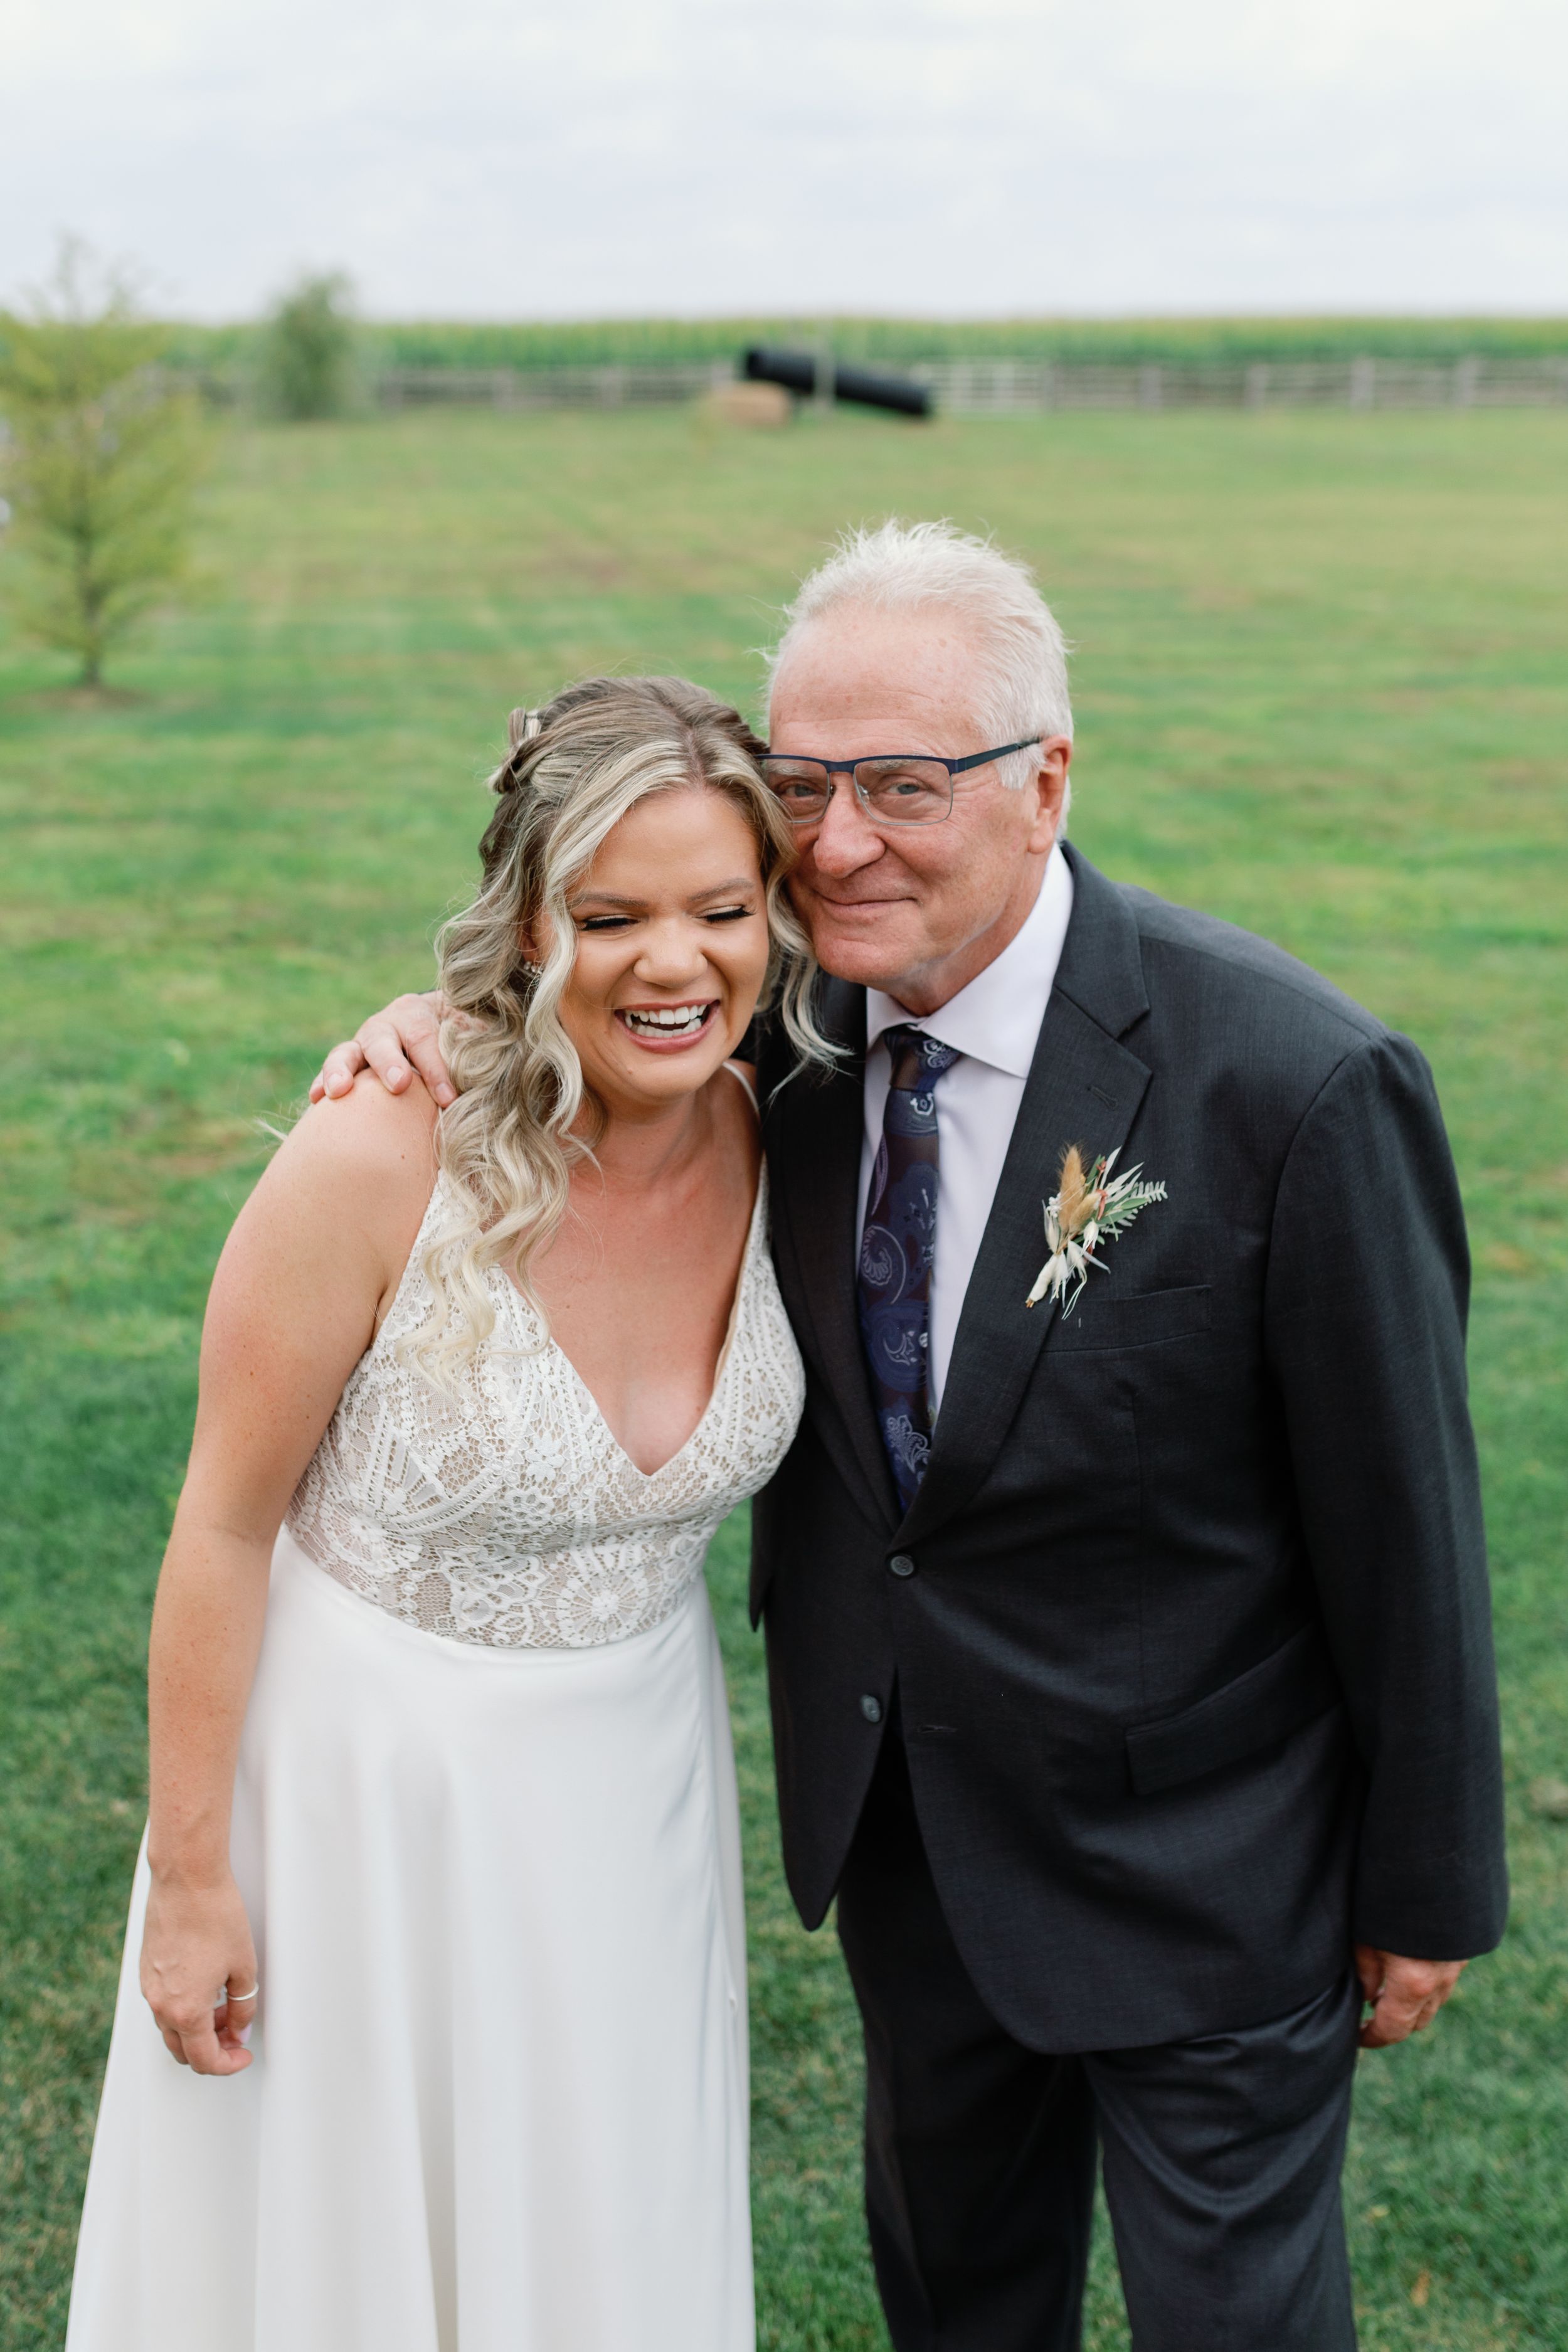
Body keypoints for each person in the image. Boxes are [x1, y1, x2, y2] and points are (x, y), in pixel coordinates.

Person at [319, 522, 1508, 2352]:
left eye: (901, 784)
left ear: (1043, 784)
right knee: (957, 2308)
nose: (839, 839)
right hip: (910, 1842)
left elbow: (1406, 1526)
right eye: (802, 786)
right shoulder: (767, 1045)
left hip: (1213, 1869)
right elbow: (591, 984)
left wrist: (1422, 1884)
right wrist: (439, 1031)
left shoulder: (1293, 1083)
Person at [68, 676, 831, 2352]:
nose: (675, 961)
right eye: (612, 916)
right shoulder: (374, 1158)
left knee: (595, 2221)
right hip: (361, 1801)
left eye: (721, 908)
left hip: (635, 1785)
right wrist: (192, 1875)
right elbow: (218, 1529)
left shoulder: (795, 1122)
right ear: (528, 920)